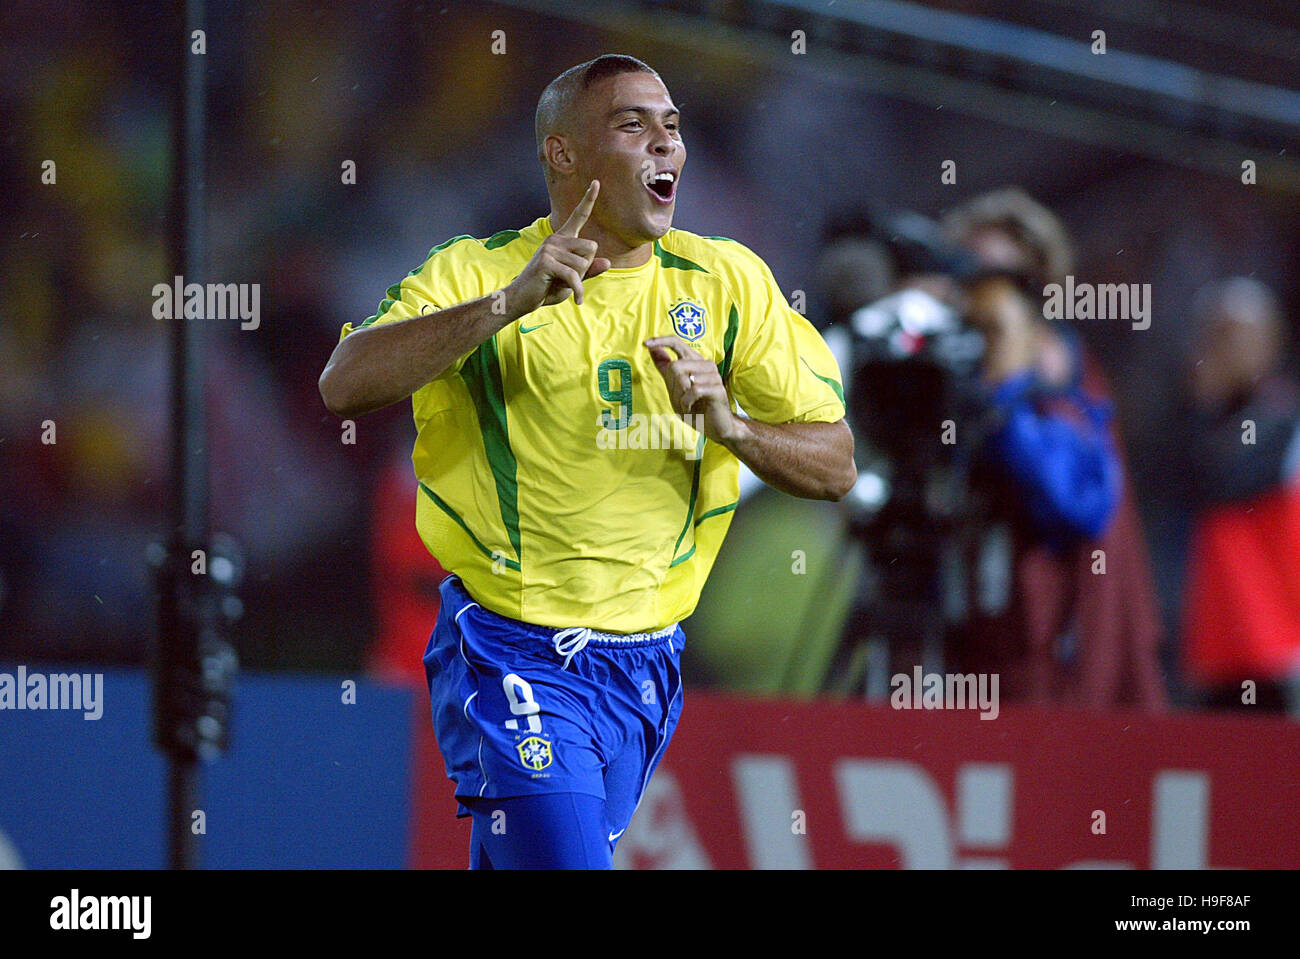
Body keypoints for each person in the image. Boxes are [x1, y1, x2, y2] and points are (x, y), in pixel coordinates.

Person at [317, 54, 854, 868]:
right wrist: (506, 307)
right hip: (512, 649)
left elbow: (836, 462)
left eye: (672, 126)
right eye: (633, 124)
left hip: (645, 661)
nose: (665, 145)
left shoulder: (728, 285)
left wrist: (733, 426)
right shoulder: (478, 273)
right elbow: (344, 384)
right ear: (563, 154)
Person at [1180, 278, 1300, 712]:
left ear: (1271, 343)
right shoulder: (1212, 418)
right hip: (1219, 645)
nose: (1221, 349)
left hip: (1275, 648)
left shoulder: (1282, 419)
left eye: (1233, 335)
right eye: (1214, 334)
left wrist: (1204, 401)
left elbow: (1218, 483)